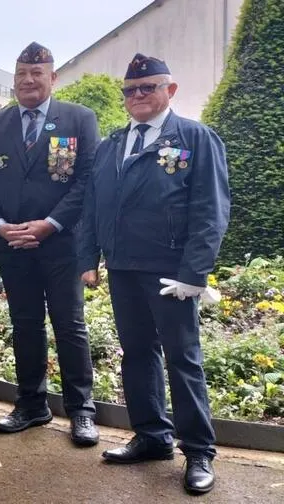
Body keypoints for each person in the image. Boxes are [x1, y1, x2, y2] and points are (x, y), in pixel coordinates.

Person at [79, 54, 229, 495]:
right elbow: (93, 208)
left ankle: (199, 450)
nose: (138, 96)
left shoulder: (196, 139)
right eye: (130, 90)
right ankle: (151, 436)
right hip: (123, 267)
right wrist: (88, 259)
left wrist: (195, 275)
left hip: (171, 274)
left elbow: (210, 211)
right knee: (137, 353)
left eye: (148, 87)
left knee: (184, 360)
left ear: (170, 90)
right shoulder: (111, 145)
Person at [0, 41, 100, 446]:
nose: (28, 80)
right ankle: (31, 404)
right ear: (14, 80)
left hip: (61, 245)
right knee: (25, 324)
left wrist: (51, 223)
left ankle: (81, 411)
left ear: (52, 78)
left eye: (36, 73)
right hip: (13, 245)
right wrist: (0, 224)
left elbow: (87, 181)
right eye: (21, 74)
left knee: (69, 326)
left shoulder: (79, 119)